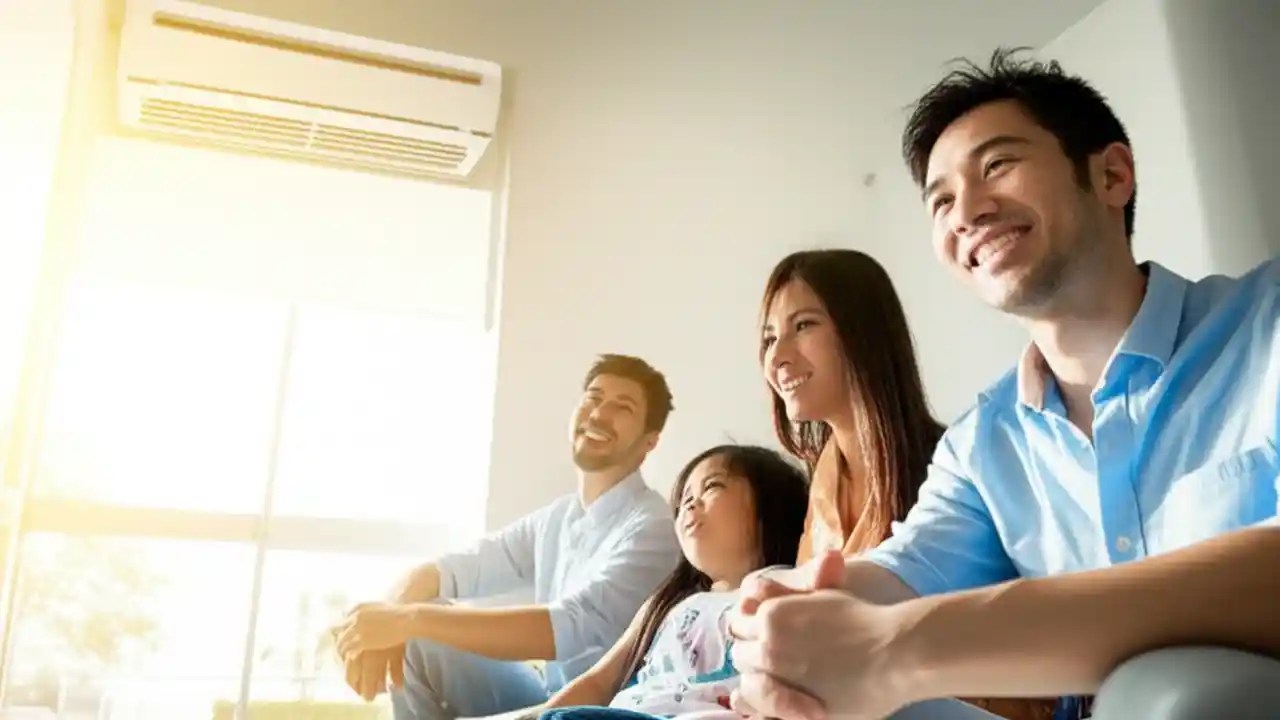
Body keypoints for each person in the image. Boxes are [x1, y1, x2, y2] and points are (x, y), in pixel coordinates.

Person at [728, 48, 1280, 719]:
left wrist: (902, 650)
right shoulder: (982, 443)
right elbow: (904, 573)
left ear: (1111, 175)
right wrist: (796, 606)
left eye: (997, 166)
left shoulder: (1266, 323)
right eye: (941, 201)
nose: (968, 211)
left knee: (1178, 693)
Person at [759, 249, 1050, 720]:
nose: (778, 356)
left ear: (863, 333)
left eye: (804, 326)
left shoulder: (952, 471)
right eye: (769, 337)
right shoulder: (822, 487)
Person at [334, 354, 682, 720]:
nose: (598, 414)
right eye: (593, 398)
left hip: (596, 710)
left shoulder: (653, 526)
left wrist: (404, 621)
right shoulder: (558, 518)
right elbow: (448, 569)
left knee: (418, 624)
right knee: (419, 628)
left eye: (621, 407)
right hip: (541, 693)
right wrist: (388, 620)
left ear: (649, 441)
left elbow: (568, 626)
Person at [524, 444, 809, 720]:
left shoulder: (782, 589)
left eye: (712, 487)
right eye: (684, 499)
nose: (690, 505)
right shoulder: (668, 602)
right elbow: (600, 682)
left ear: (772, 504)